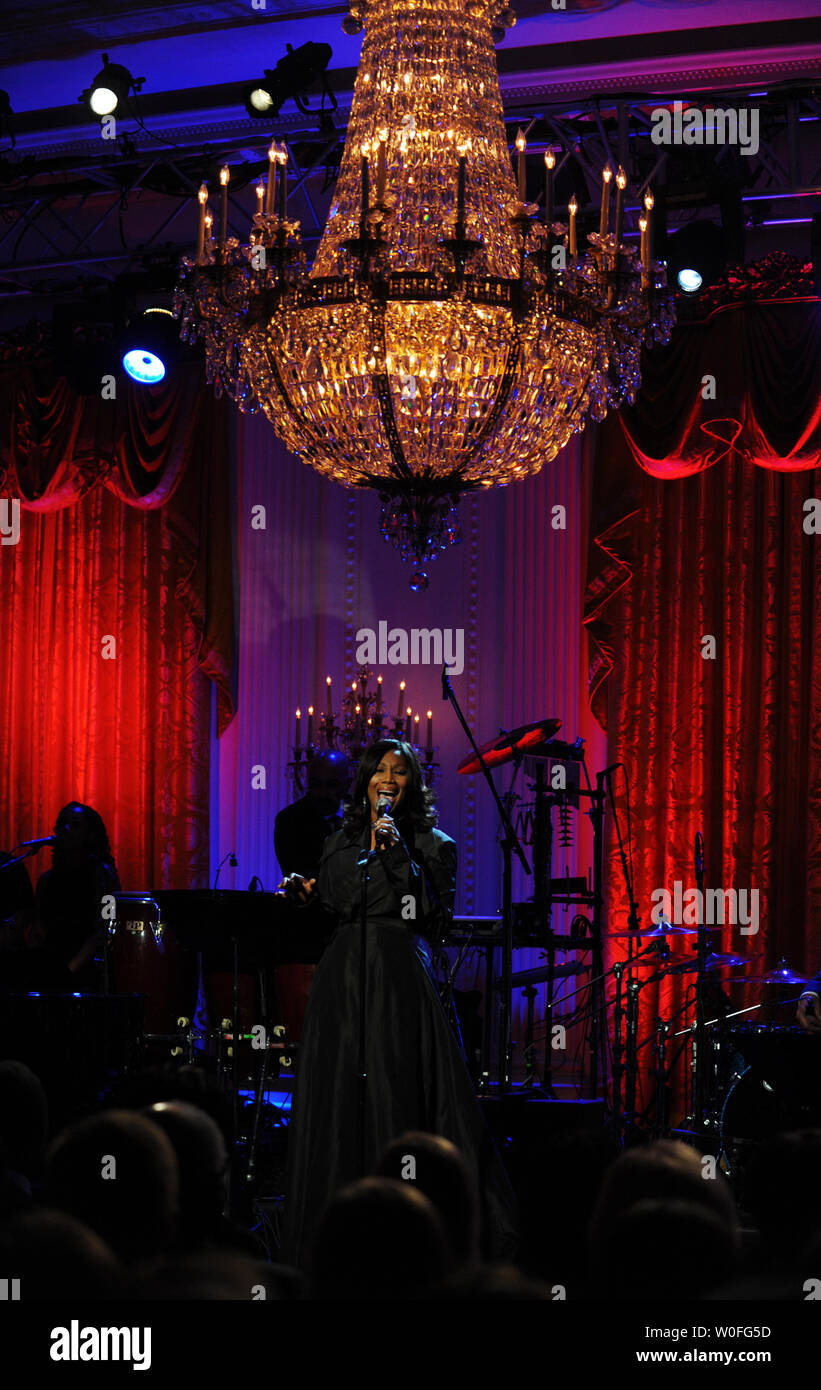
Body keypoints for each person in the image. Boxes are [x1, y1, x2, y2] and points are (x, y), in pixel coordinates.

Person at [278, 738, 518, 1272]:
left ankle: (405, 1228)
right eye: (380, 770)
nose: (389, 779)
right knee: (339, 1092)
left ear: (413, 784)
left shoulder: (435, 843)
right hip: (343, 976)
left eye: (401, 772)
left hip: (398, 975)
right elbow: (337, 907)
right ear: (364, 780)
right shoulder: (338, 841)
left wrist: (400, 855)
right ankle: (333, 1227)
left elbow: (433, 920)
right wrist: (307, 894)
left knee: (394, 1088)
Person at [29, 802, 121, 990]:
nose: (65, 830)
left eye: (75, 825)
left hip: (85, 974)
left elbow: (104, 928)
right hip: (49, 970)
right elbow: (38, 930)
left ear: (90, 834)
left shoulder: (104, 876)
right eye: (61, 824)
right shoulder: (47, 880)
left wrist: (68, 971)